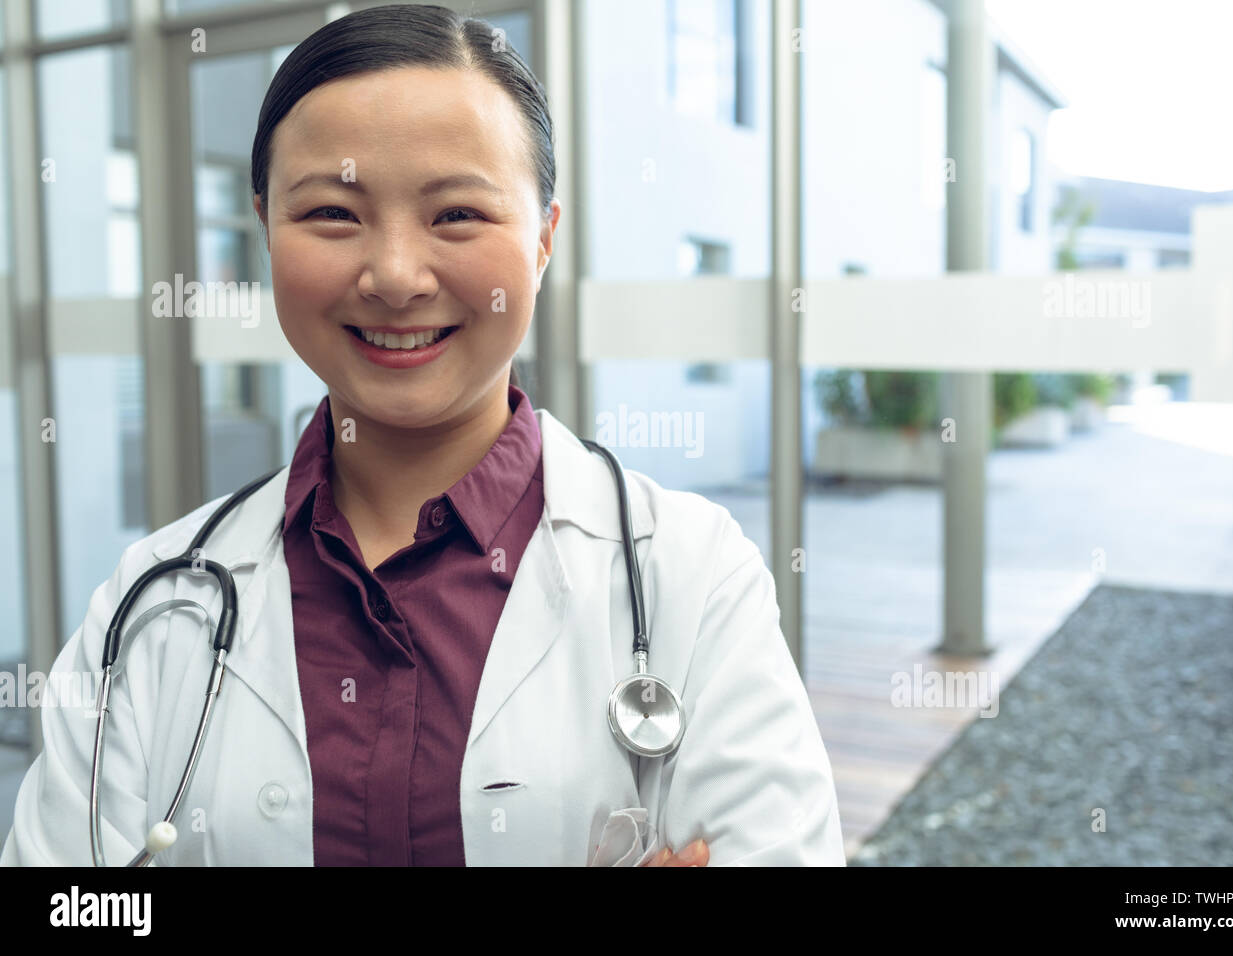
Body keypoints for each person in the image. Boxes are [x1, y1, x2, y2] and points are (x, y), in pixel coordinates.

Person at [1, 3, 843, 867]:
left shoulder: (692, 579)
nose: (396, 277)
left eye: (457, 216)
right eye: (332, 212)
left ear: (545, 240)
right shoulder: (151, 606)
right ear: (264, 232)